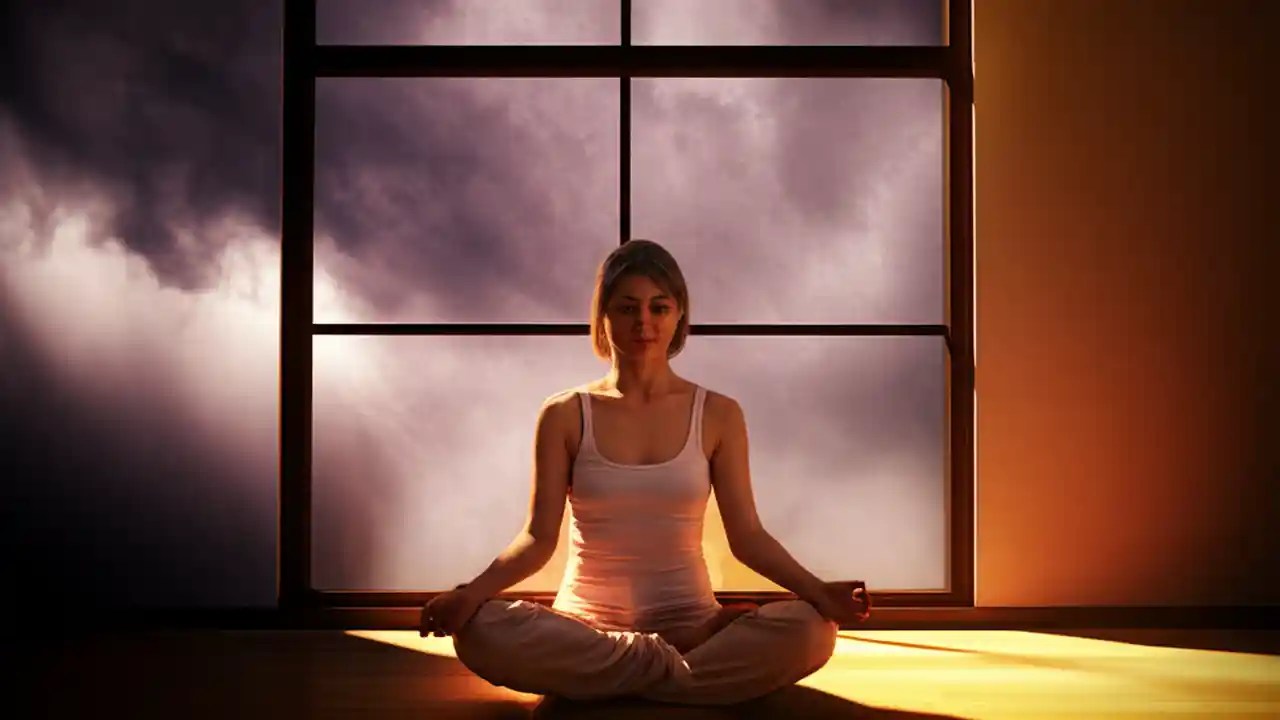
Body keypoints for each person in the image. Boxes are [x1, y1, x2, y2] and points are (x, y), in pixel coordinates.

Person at [419, 239, 872, 706]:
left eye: (659, 307)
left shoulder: (718, 413)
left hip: (688, 618)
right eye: (627, 308)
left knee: (814, 630)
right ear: (604, 316)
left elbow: (748, 536)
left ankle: (607, 678)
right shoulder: (564, 414)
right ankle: (676, 667)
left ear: (679, 315)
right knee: (479, 631)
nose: (644, 323)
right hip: (586, 626)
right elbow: (538, 538)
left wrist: (818, 592)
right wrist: (470, 595)